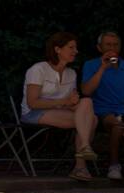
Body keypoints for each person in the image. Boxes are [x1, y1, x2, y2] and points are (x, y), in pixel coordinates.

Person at [21, 31, 99, 182]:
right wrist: (64, 102)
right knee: (92, 121)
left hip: (60, 111)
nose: (75, 51)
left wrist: (73, 101)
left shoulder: (71, 74)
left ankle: (83, 147)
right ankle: (81, 165)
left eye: (75, 48)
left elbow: (70, 103)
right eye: (71, 47)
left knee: (87, 103)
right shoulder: (38, 69)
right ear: (57, 49)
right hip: (34, 112)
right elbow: (33, 103)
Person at [81, 31, 124, 181]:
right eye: (108, 44)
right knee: (117, 123)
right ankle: (114, 165)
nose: (112, 47)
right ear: (99, 47)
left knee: (121, 125)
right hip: (99, 112)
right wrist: (103, 68)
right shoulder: (91, 65)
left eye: (115, 45)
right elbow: (86, 91)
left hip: (123, 112)